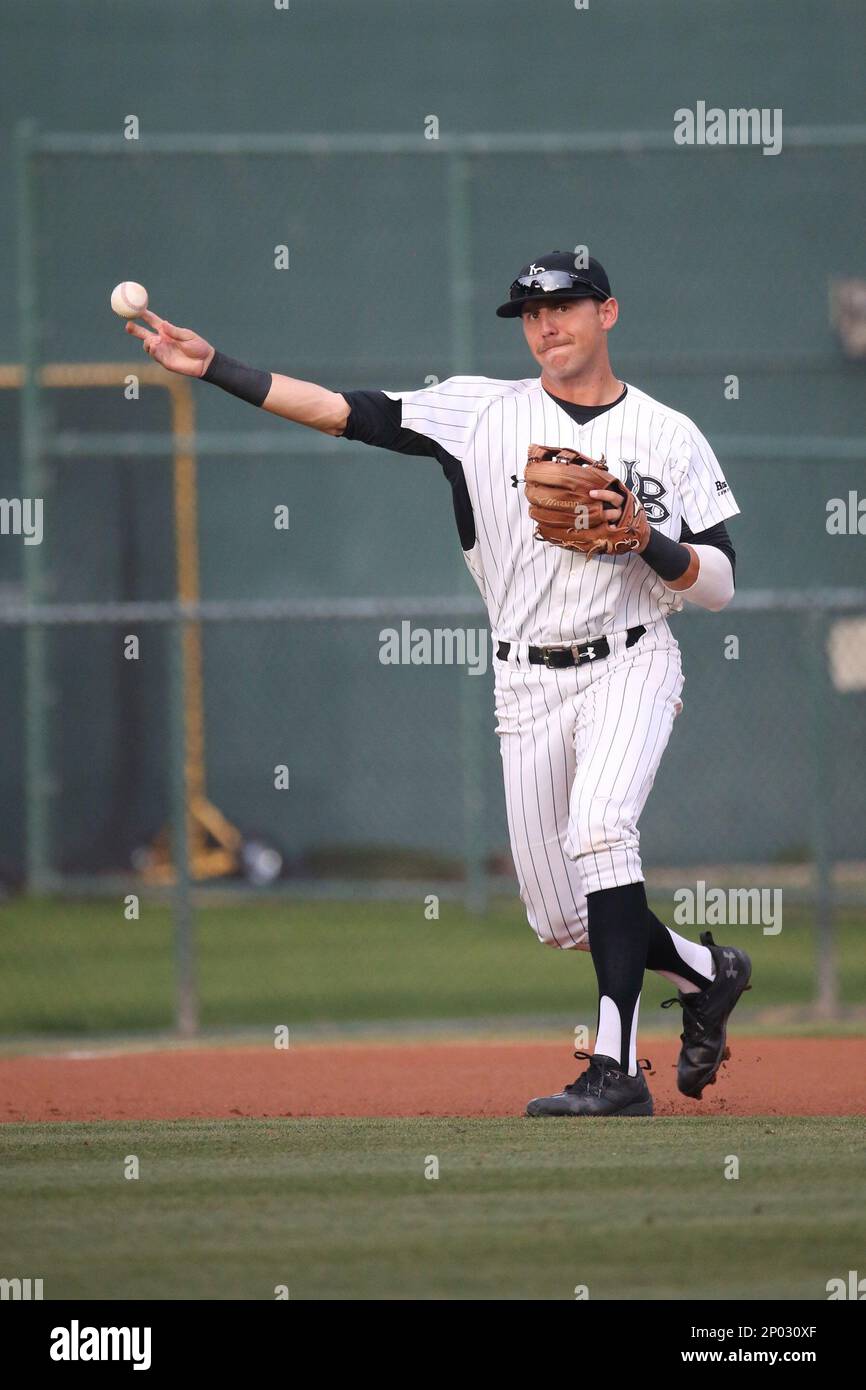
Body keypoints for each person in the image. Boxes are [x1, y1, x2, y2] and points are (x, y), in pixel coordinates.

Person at [125, 248, 751, 1117]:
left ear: (608, 313)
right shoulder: (480, 412)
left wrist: (647, 538)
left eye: (565, 307)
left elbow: (719, 583)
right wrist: (214, 367)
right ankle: (706, 972)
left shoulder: (668, 433)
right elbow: (347, 413)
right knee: (563, 920)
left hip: (631, 659)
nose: (546, 325)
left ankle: (615, 1069)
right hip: (526, 684)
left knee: (604, 832)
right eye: (531, 313)